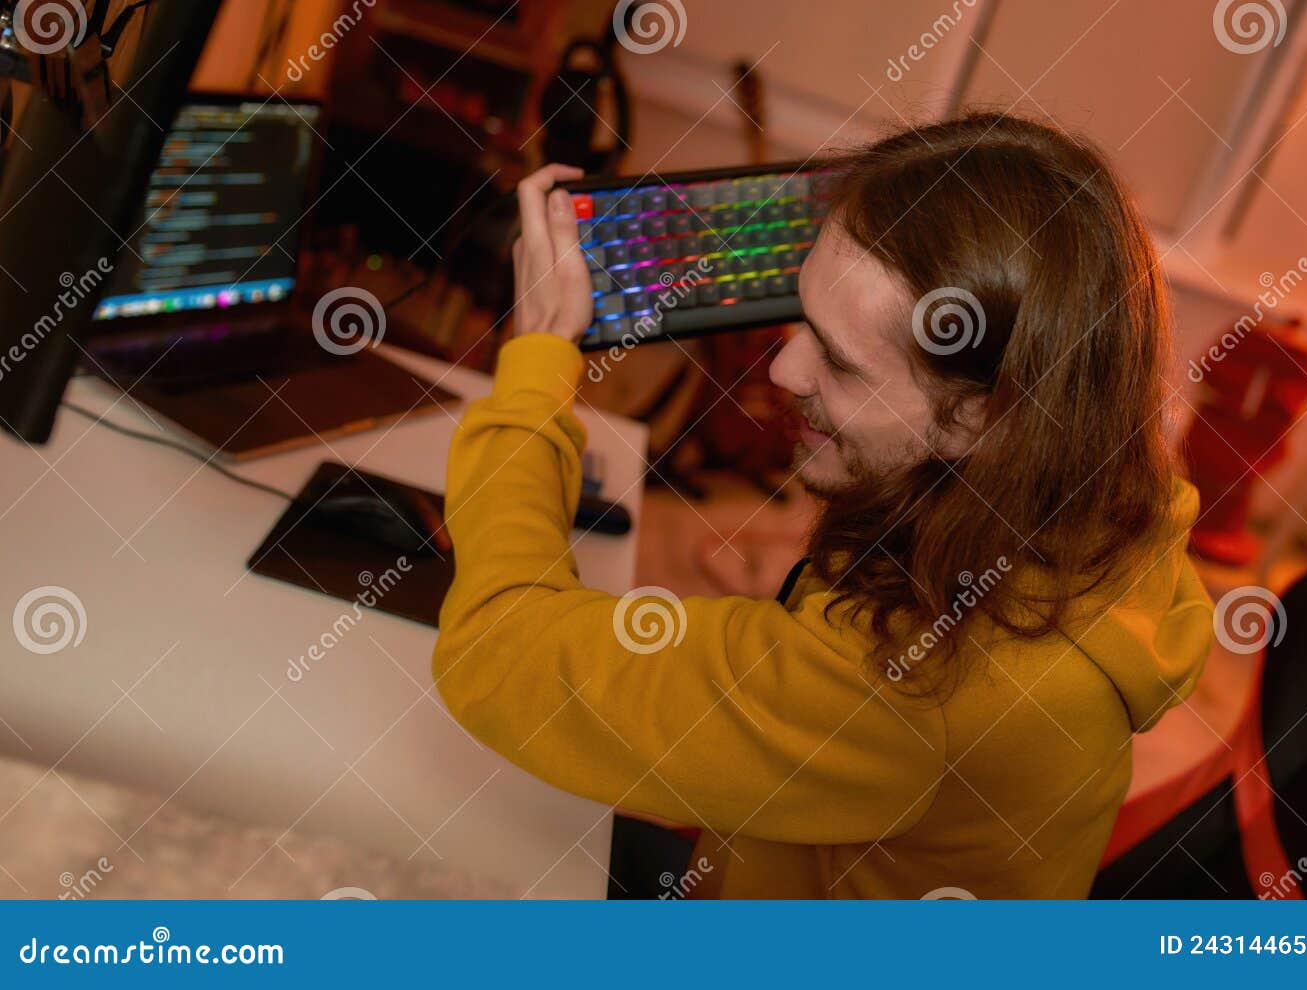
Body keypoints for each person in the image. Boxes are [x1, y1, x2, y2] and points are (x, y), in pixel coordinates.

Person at [432, 112, 1213, 899]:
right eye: (801, 318)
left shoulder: (910, 687)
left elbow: (498, 653)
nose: (782, 371)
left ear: (981, 416)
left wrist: (538, 360)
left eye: (838, 362)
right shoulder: (1100, 503)